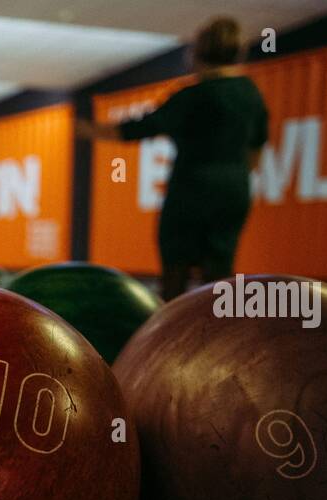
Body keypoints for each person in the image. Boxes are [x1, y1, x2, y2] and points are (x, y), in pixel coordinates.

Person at [78, 17, 269, 300]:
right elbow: (256, 151)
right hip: (235, 188)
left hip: (191, 187)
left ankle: (170, 334)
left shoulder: (193, 95)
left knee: (175, 269)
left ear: (198, 53)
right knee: (219, 270)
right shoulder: (251, 94)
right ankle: (220, 333)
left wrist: (85, 130)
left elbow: (135, 129)